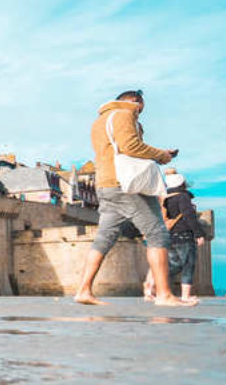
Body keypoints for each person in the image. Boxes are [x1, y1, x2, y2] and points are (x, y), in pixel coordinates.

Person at [73, 90, 191, 306]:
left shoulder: (100, 121)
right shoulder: (124, 114)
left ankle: (83, 290)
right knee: (157, 233)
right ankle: (164, 294)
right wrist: (161, 155)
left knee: (104, 237)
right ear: (136, 102)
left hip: (105, 185)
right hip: (125, 185)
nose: (141, 110)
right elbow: (130, 147)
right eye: (141, 104)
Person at [162, 172, 208, 301]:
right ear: (182, 184)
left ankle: (154, 282)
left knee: (174, 265)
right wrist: (199, 234)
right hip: (184, 235)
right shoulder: (182, 197)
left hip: (169, 235)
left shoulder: (165, 198)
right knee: (188, 265)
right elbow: (189, 215)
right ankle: (185, 296)